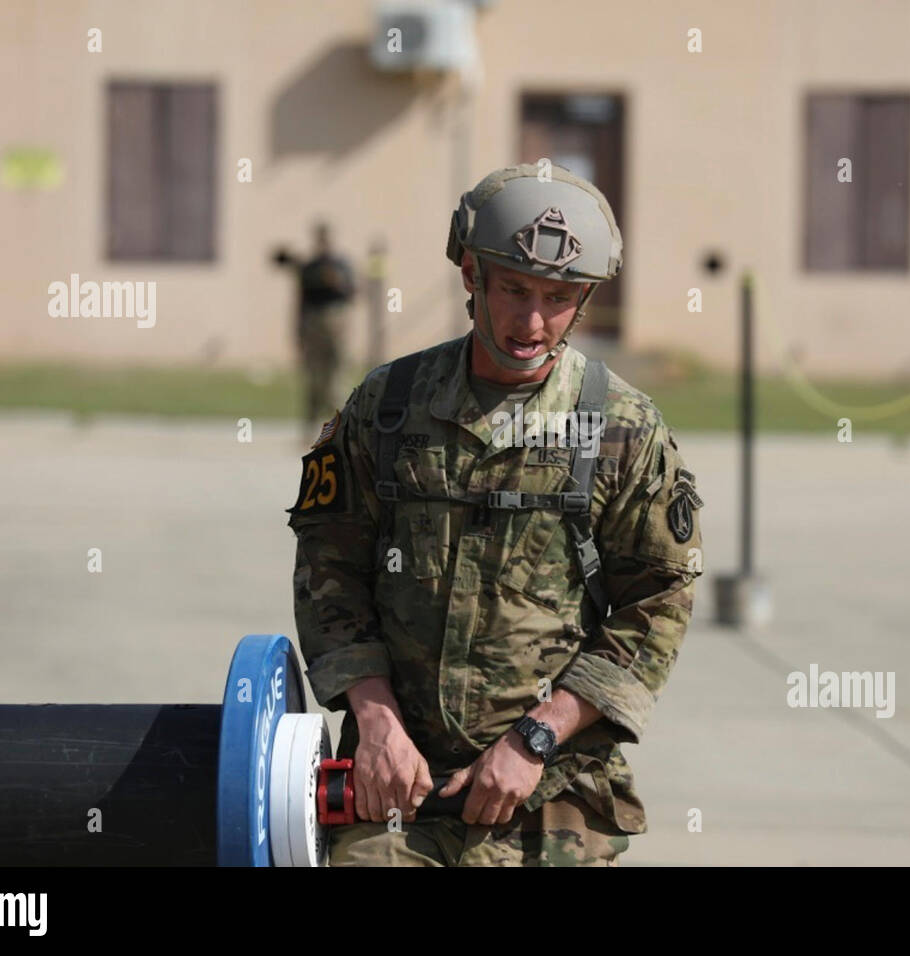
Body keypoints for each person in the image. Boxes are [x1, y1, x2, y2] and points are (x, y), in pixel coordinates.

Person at [286, 164, 704, 866]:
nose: (532, 321)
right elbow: (330, 568)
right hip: (396, 780)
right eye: (513, 289)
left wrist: (535, 739)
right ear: (471, 274)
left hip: (550, 789)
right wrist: (377, 720)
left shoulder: (622, 428)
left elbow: (657, 601)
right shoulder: (386, 409)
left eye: (558, 297)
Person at [274, 223, 356, 438]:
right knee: (313, 380)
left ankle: (341, 431)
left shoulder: (341, 265)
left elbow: (351, 291)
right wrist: (299, 331)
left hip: (336, 322)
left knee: (337, 381)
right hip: (313, 324)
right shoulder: (310, 267)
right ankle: (310, 430)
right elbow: (301, 296)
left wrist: (336, 281)